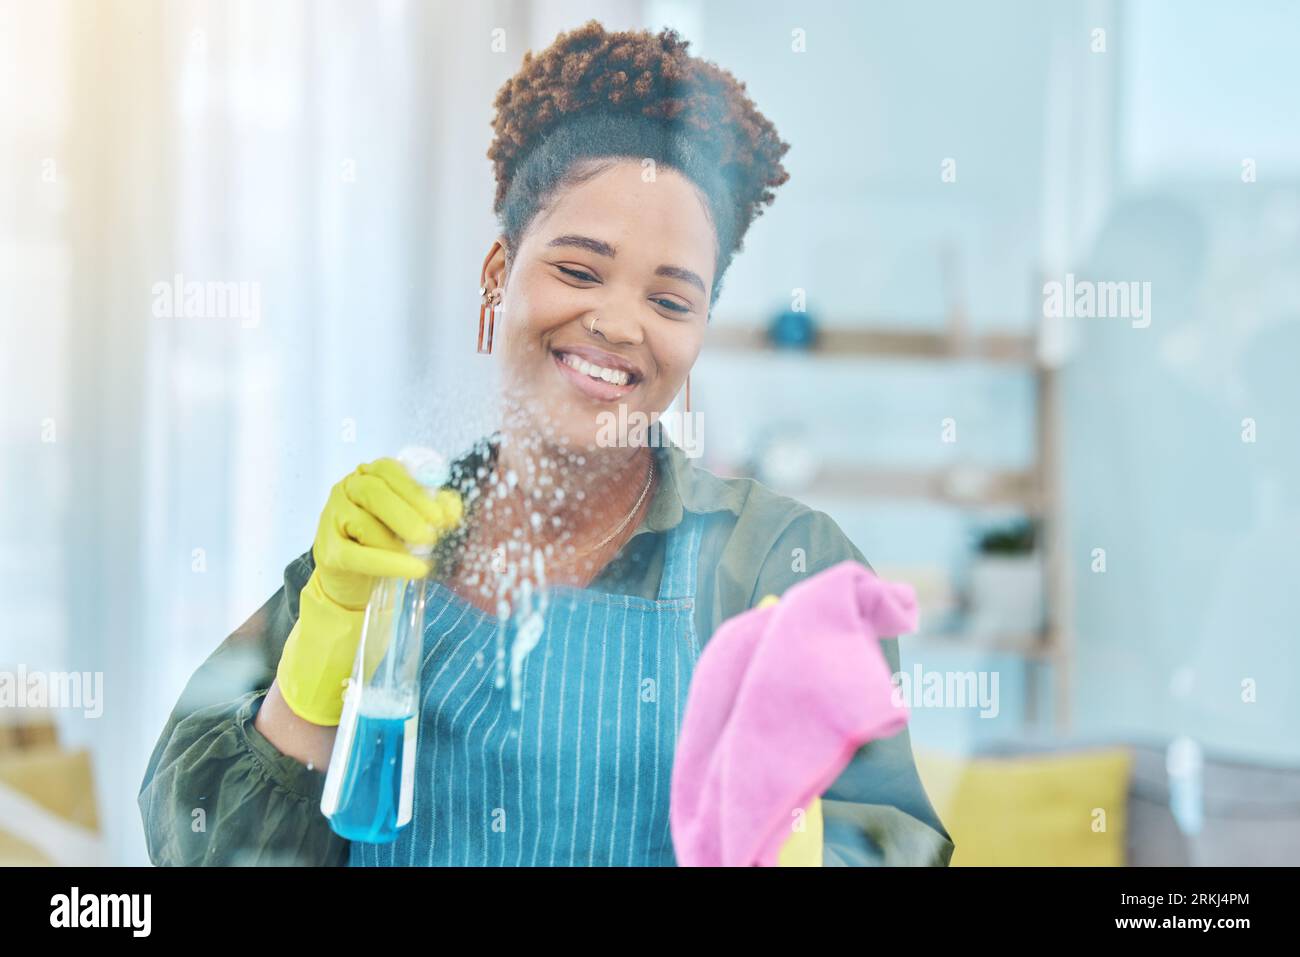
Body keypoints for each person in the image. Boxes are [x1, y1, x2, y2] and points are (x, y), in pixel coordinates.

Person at [138, 20, 953, 867]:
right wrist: (317, 666)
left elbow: (890, 846)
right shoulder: (380, 551)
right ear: (499, 272)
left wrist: (785, 815)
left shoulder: (781, 563)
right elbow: (196, 852)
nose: (616, 322)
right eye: (578, 269)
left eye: (671, 301)